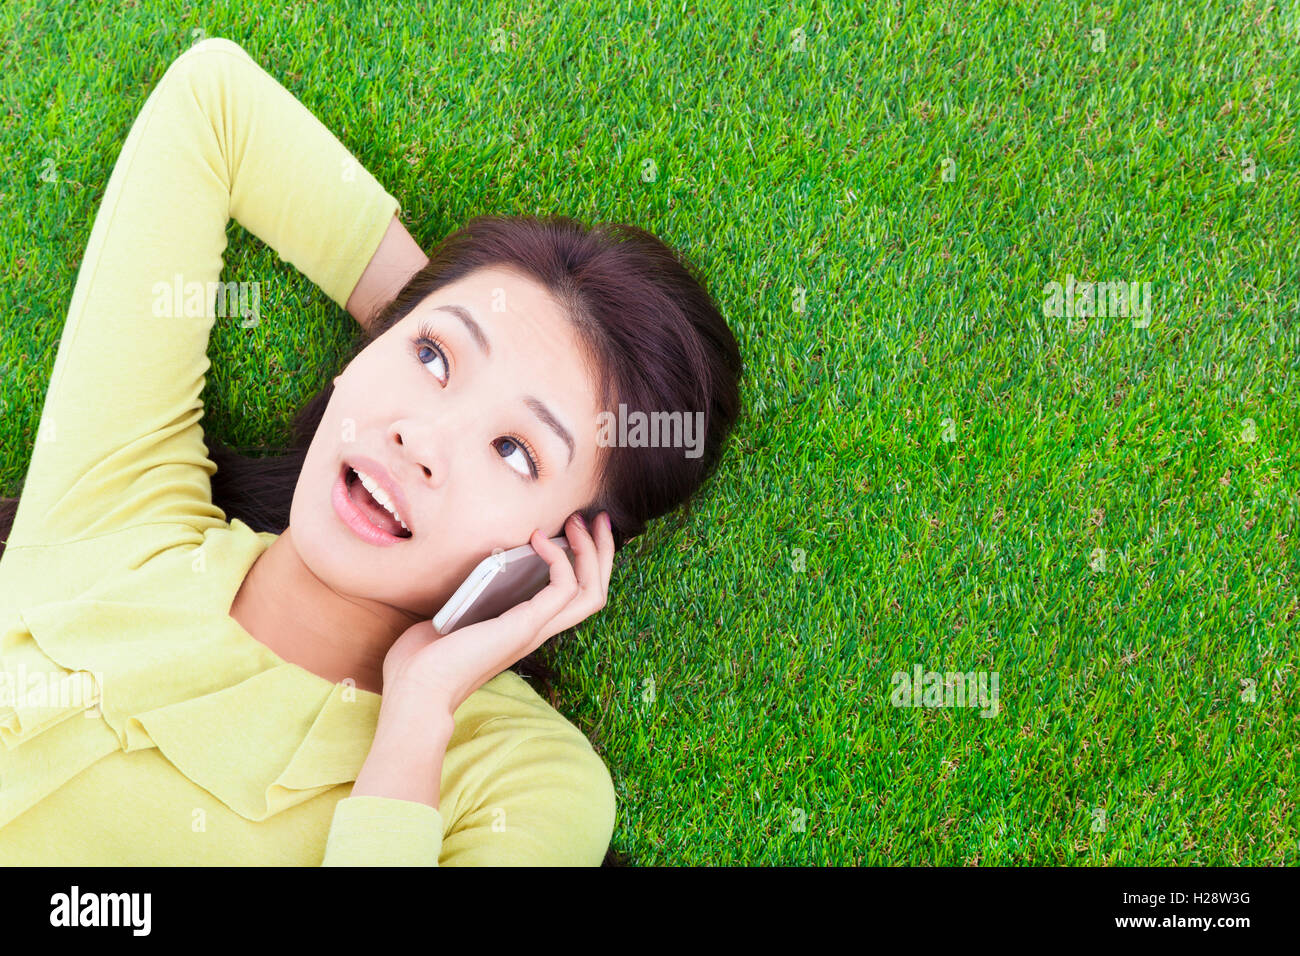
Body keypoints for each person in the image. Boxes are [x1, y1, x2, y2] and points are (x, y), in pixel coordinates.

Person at [0, 37, 742, 865]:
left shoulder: (521, 782)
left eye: (515, 450)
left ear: (564, 555)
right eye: (430, 358)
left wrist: (418, 712)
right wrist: (426, 319)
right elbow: (211, 108)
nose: (419, 439)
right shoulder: (121, 502)